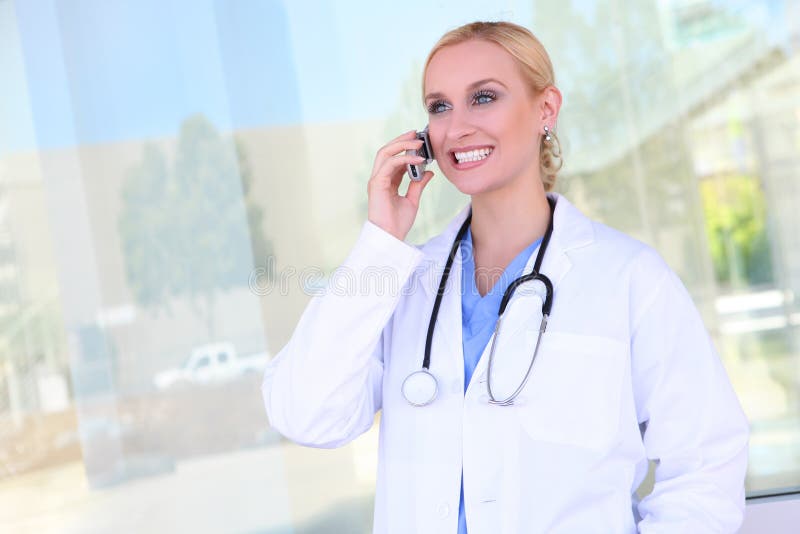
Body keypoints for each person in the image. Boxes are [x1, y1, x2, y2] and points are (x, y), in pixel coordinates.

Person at [261, 21, 749, 534]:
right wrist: (380, 241)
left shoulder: (628, 278)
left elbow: (704, 463)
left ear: (546, 109)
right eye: (439, 106)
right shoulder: (400, 280)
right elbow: (305, 415)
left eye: (484, 97)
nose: (457, 127)